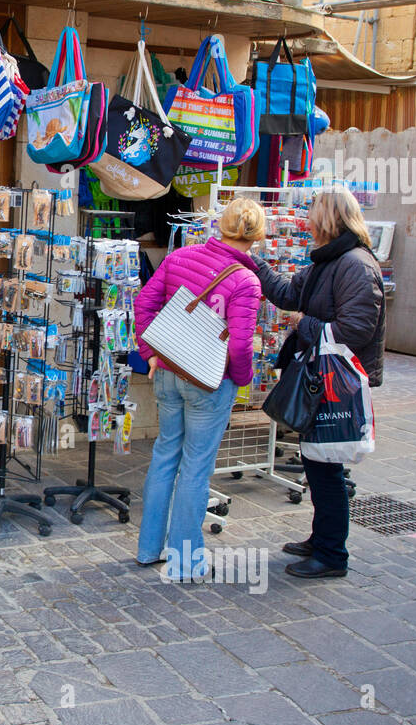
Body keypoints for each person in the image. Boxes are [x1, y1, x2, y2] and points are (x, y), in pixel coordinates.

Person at [254, 185, 385, 579]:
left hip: (338, 380)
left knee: (327, 469)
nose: (306, 219)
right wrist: (255, 264)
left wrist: (304, 325)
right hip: (322, 373)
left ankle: (331, 555)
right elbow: (288, 294)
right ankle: (321, 539)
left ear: (329, 218)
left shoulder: (355, 265)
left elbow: (356, 329)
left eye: (312, 212)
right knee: (316, 462)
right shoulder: (329, 261)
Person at [132, 198, 266, 581]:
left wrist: (150, 354)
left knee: (164, 457)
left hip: (169, 371)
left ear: (220, 225)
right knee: (195, 470)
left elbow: (144, 301)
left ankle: (148, 549)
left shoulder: (180, 258)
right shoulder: (246, 281)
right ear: (257, 235)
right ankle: (185, 561)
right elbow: (239, 345)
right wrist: (239, 380)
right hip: (209, 381)